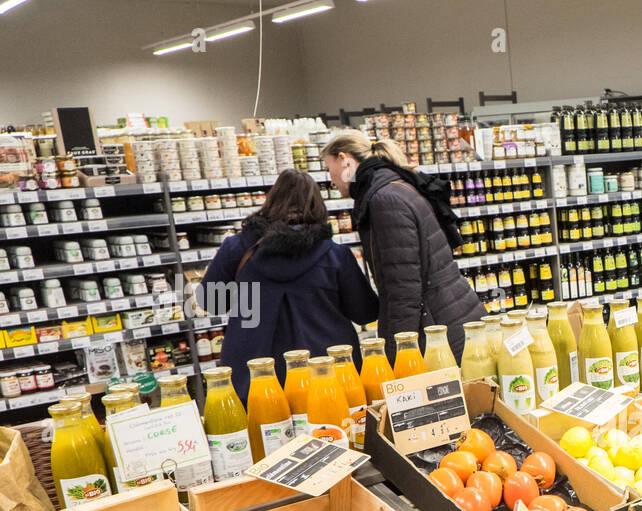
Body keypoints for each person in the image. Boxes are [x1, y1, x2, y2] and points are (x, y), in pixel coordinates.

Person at [199, 168, 374, 399]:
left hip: (255, 377)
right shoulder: (335, 255)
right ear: (318, 206)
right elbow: (364, 312)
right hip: (325, 373)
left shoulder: (237, 249)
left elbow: (212, 303)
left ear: (271, 202)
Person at [321, 131, 484, 363]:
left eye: (329, 169)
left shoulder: (383, 200)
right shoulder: (391, 185)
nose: (331, 179)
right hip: (448, 317)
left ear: (344, 159)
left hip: (437, 329)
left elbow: (403, 288)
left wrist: (400, 353)